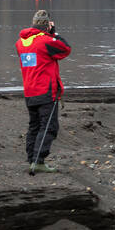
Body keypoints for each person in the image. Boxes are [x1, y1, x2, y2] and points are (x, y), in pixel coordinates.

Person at [16, 9, 71, 174]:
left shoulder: (20, 43)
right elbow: (65, 49)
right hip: (46, 92)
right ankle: (38, 161)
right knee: (48, 127)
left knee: (34, 126)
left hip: (29, 91)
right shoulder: (45, 41)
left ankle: (32, 159)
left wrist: (48, 33)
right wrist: (54, 33)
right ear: (46, 25)